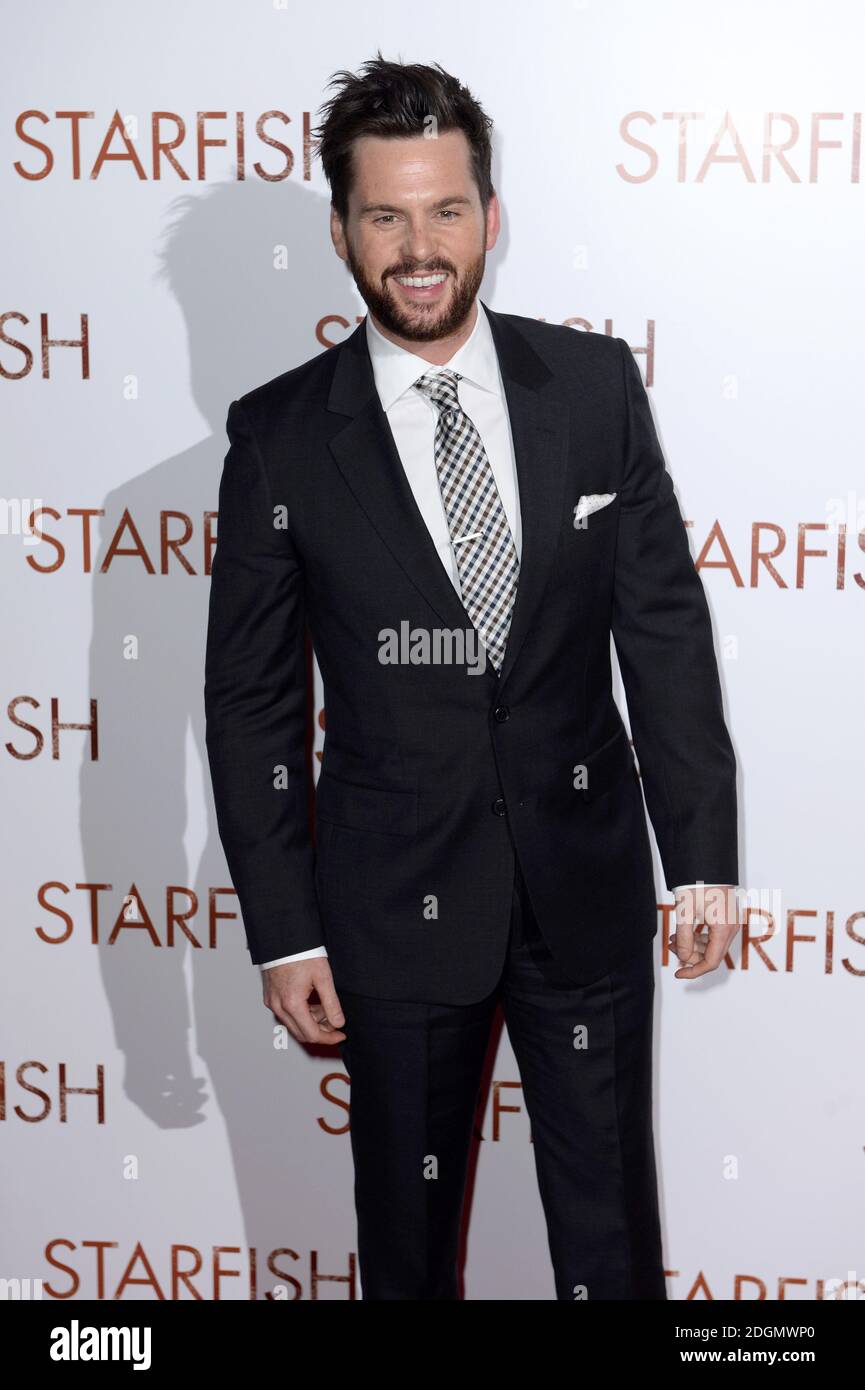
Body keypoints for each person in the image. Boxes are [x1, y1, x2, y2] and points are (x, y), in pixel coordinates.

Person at [204, 52, 740, 1300]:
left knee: (610, 1243)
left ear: (491, 217)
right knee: (407, 1248)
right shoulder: (280, 435)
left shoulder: (594, 388)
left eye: (445, 209)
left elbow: (660, 627)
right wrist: (283, 933)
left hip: (585, 890)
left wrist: (698, 851)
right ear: (341, 232)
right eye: (385, 216)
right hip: (392, 911)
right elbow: (253, 702)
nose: (419, 246)